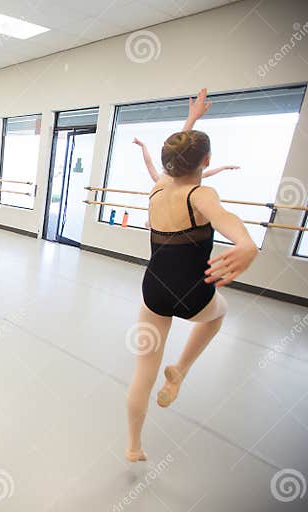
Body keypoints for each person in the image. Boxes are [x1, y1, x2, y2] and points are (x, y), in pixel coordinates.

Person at [125, 88, 258, 462]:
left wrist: (191, 120)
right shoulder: (201, 194)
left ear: (167, 164)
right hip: (194, 294)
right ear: (208, 160)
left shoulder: (157, 190)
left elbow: (177, 163)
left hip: (153, 291)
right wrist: (246, 243)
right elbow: (224, 218)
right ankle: (181, 370)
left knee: (142, 373)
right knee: (220, 313)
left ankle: (133, 445)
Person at [133, 137, 239, 182]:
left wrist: (224, 167)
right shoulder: (161, 179)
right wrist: (143, 146)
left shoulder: (163, 179)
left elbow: (207, 174)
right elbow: (149, 163)